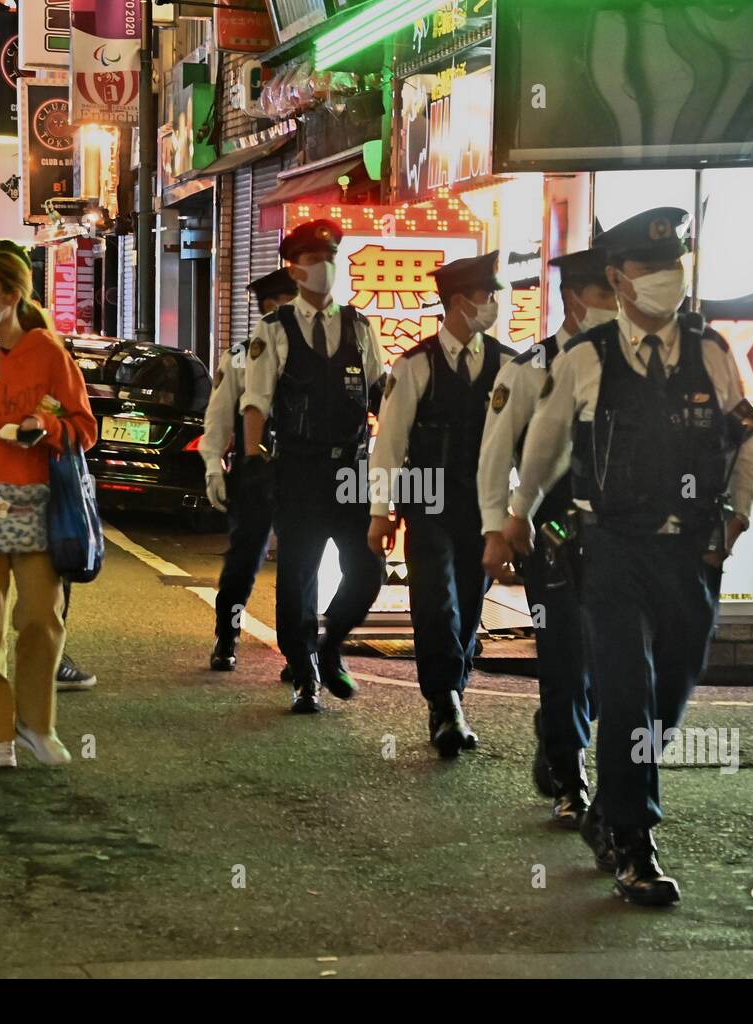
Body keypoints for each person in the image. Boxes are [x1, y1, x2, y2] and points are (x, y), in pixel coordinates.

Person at [505, 208, 753, 905]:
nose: (666, 279)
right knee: (624, 690)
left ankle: (610, 807)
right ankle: (635, 843)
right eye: (651, 269)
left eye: (674, 264)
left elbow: (751, 438)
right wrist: (515, 519)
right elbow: (546, 447)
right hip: (612, 548)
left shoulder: (710, 350)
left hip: (689, 552)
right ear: (619, 280)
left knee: (670, 694)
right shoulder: (586, 359)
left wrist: (737, 516)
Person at [0, 250, 97, 768]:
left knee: (40, 616)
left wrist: (44, 427)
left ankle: (36, 723)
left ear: (11, 295)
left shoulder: (48, 352)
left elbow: (84, 427)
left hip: (29, 501)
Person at [477, 248, 616, 824]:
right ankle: (569, 774)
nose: (622, 304)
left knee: (612, 663)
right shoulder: (531, 368)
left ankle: (563, 728)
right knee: (562, 653)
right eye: (611, 293)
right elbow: (495, 455)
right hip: (552, 533)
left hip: (622, 538)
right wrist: (497, 528)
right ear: (577, 297)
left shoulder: (637, 361)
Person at [367, 251, 518, 759]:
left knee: (470, 602)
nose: (496, 304)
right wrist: (380, 512)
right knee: (436, 598)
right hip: (426, 492)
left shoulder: (507, 364)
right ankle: (445, 701)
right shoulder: (415, 365)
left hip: (485, 498)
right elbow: (390, 443)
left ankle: (453, 691)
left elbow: (522, 441)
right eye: (488, 296)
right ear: (460, 301)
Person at [239, 219, 386, 714]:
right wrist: (253, 458)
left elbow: (380, 392)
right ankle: (303, 670)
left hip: (351, 470)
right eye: (313, 260)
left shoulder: (360, 327)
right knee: (298, 572)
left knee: (367, 569)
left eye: (330, 258)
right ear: (295, 270)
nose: (324, 268)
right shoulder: (274, 330)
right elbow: (256, 402)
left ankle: (331, 643)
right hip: (298, 468)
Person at [200, 267, 298, 671]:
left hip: (304, 472)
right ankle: (228, 634)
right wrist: (212, 465)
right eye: (284, 306)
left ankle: (298, 651)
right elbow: (220, 415)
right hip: (256, 469)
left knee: (299, 564)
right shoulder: (242, 354)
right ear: (269, 310)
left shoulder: (324, 353)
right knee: (245, 560)